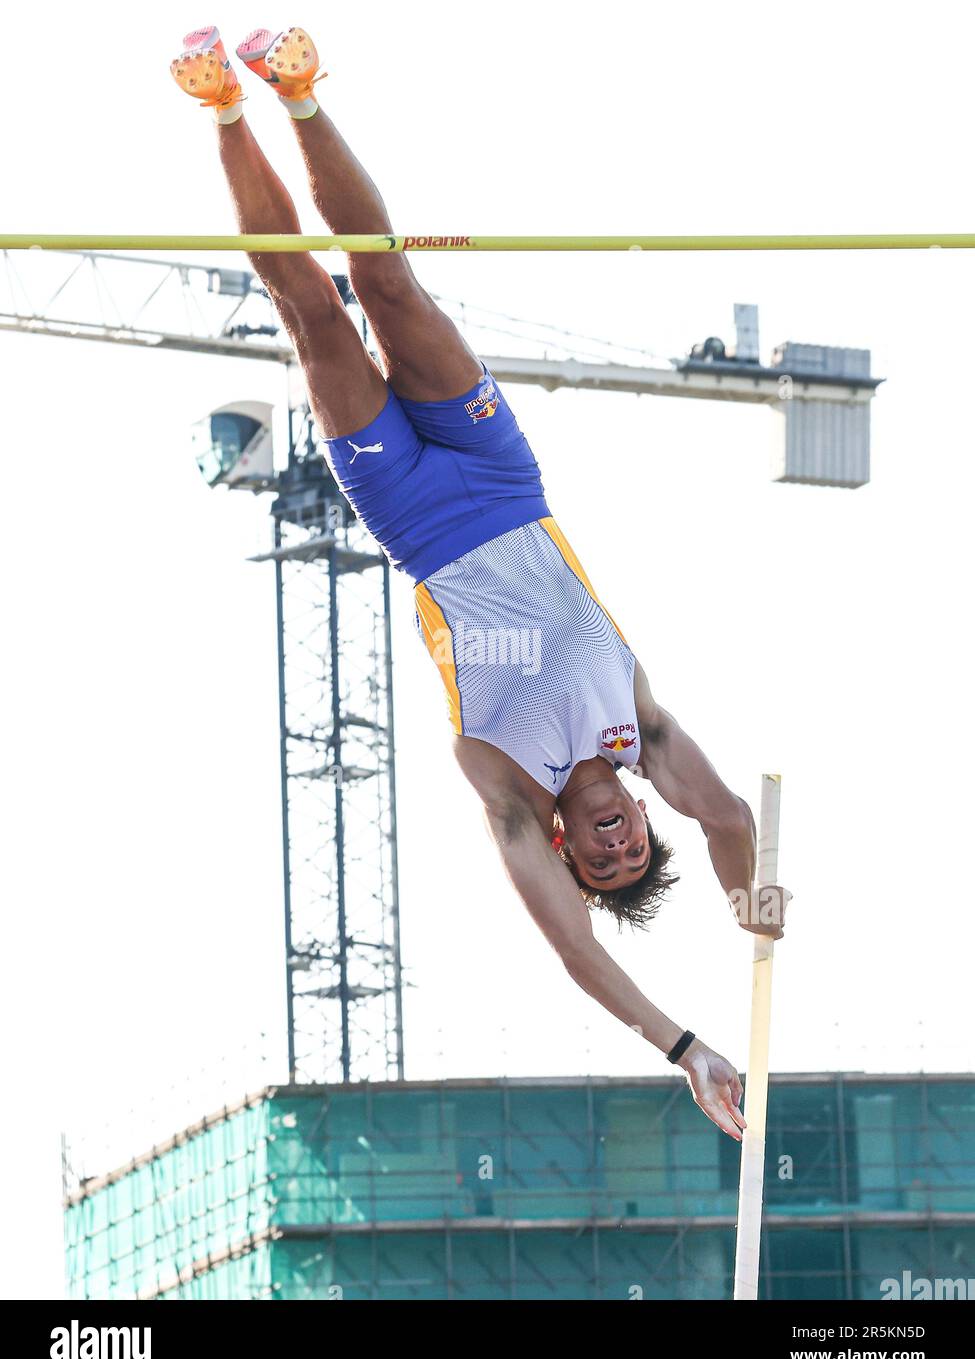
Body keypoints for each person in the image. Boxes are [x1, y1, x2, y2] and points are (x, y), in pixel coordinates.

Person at [171, 25, 791, 1140]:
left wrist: (686, 1047)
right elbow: (733, 815)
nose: (615, 842)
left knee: (311, 307)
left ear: (567, 849)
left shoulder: (510, 803)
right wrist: (757, 914)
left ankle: (221, 108)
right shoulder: (639, 732)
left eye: (603, 858)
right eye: (635, 843)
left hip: (408, 513)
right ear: (644, 815)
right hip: (503, 478)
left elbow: (571, 947)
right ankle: (299, 92)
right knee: (388, 283)